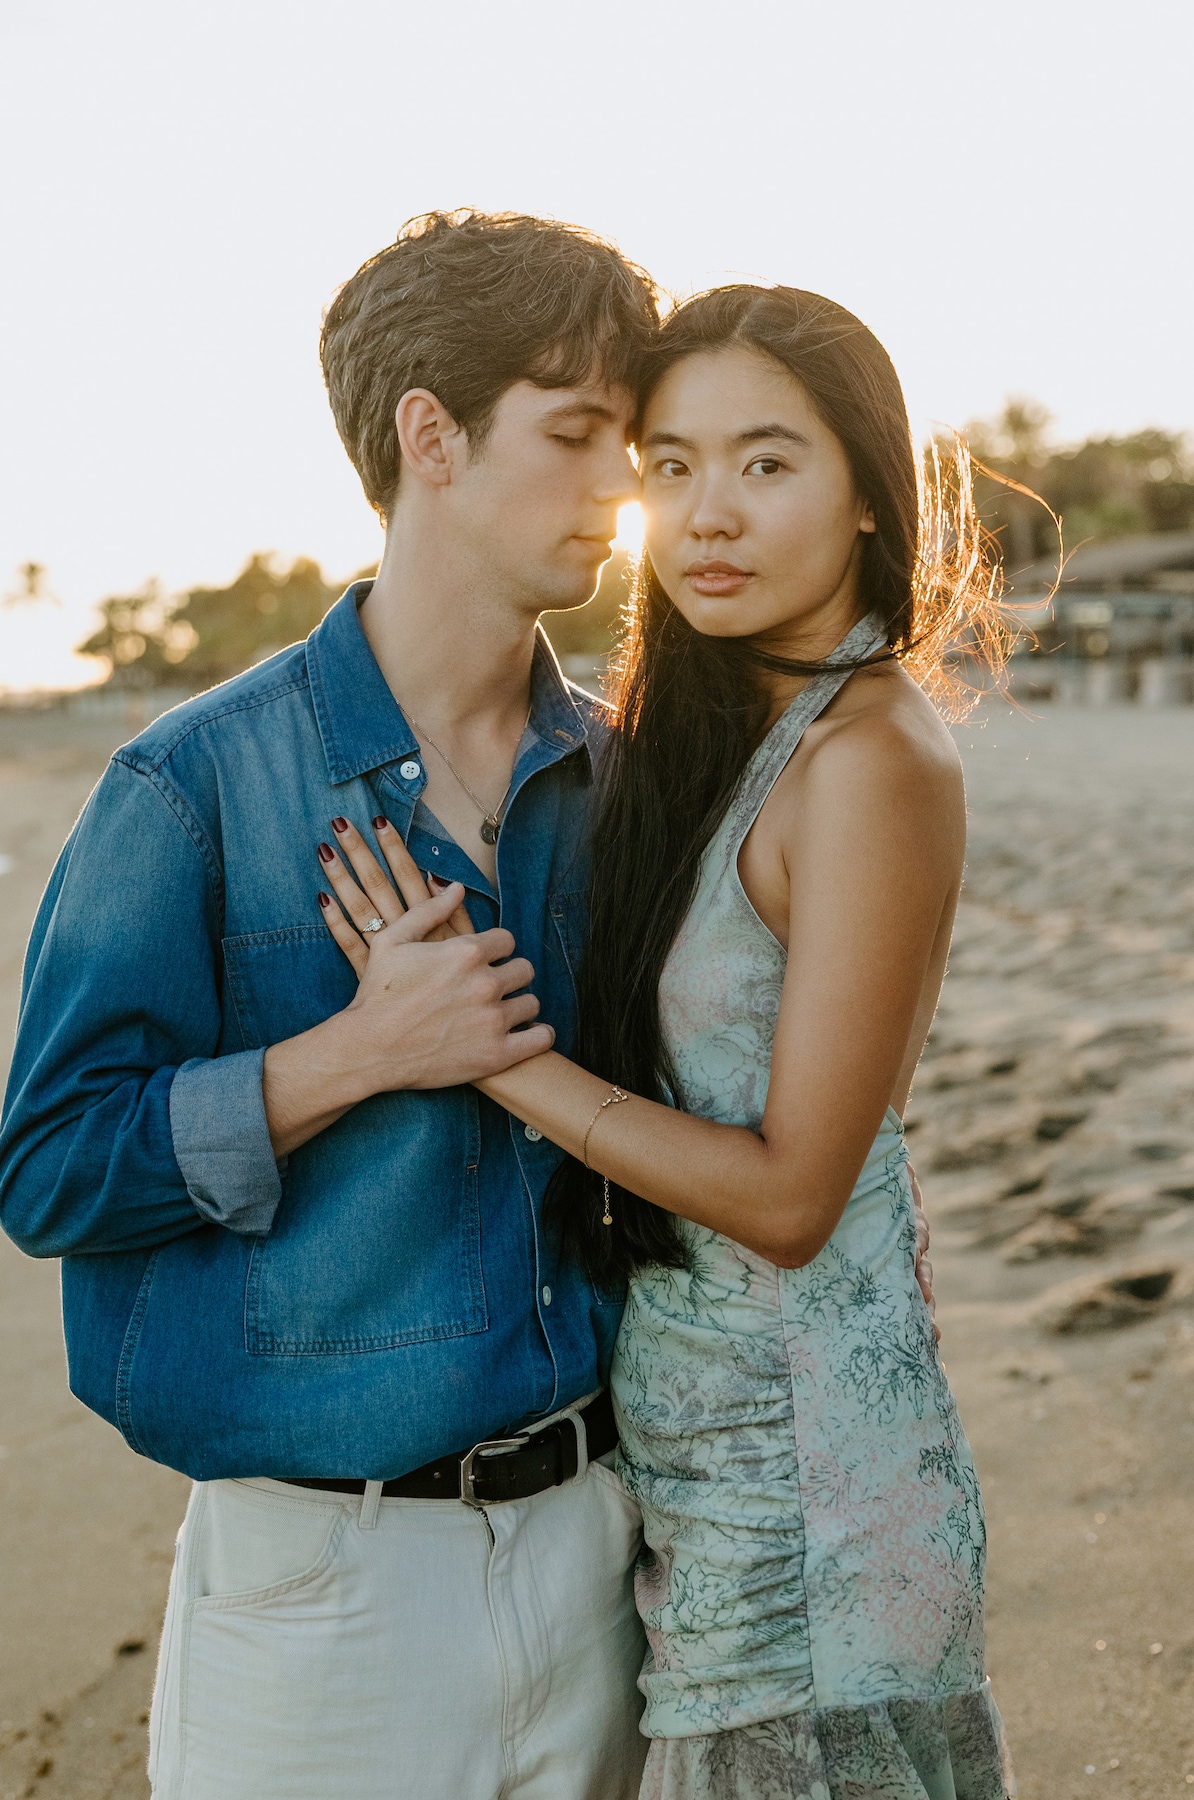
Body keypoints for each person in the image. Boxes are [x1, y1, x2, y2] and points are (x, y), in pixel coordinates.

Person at [317, 285, 1014, 1799]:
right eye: (672, 463)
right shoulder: (725, 739)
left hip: (814, 1504)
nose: (707, 514)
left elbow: (790, 1195)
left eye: (769, 464)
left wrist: (484, 1050)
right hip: (707, 1477)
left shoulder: (870, 759)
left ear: (870, 498)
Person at [0, 211, 661, 1798]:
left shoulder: (628, 782)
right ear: (429, 437)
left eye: (631, 444)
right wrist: (354, 1056)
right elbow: (49, 1169)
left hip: (603, 1555)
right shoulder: (193, 788)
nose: (622, 486)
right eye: (576, 436)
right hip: (323, 1596)